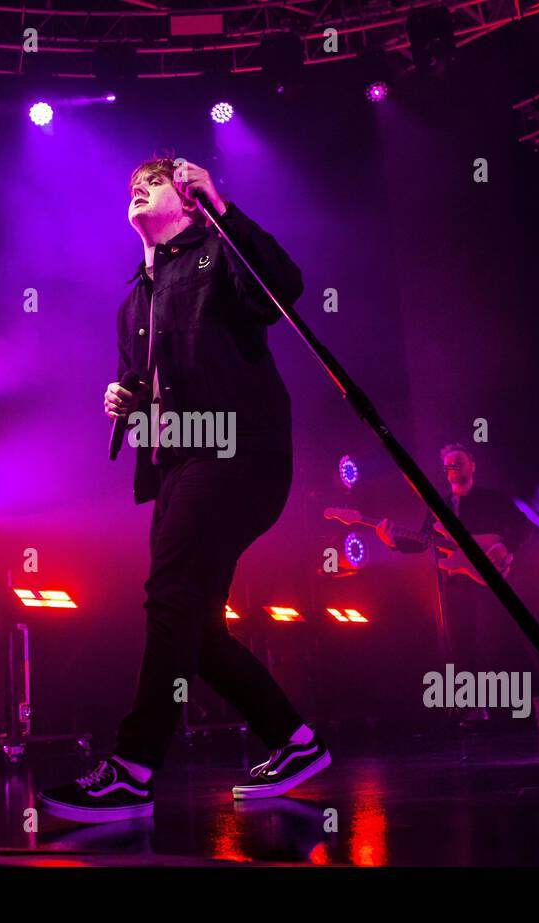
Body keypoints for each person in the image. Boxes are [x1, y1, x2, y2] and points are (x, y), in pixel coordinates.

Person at [38, 154, 329, 823]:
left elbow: (284, 287)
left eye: (155, 180)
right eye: (132, 185)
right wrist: (124, 398)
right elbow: (152, 391)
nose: (137, 189)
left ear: (189, 197)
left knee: (168, 598)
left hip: (234, 451)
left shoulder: (215, 254)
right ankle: (293, 739)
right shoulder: (133, 298)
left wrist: (225, 211)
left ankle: (134, 768)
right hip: (177, 465)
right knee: (192, 625)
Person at [377, 444, 539, 732]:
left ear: (472, 465)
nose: (454, 467)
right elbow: (424, 541)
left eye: (459, 462)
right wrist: (391, 541)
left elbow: (524, 526)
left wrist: (503, 545)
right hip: (457, 583)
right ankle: (475, 707)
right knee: (462, 645)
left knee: (506, 641)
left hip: (491, 578)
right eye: (448, 464)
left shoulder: (492, 499)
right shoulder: (439, 506)